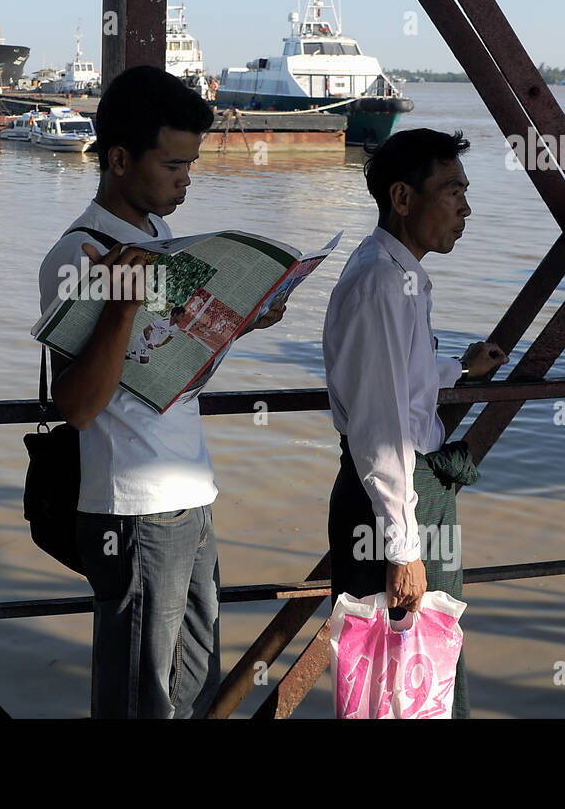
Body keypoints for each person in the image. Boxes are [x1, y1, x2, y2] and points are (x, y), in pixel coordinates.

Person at [37, 65, 286, 719]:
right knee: (138, 695)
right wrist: (120, 307)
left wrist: (234, 317)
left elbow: (177, 374)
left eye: (191, 164)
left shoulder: (159, 242)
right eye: (173, 165)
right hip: (134, 505)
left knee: (193, 682)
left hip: (190, 495)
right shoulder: (80, 256)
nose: (186, 179)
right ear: (119, 159)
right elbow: (80, 406)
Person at [322, 127, 507, 719]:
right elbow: (379, 427)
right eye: (452, 191)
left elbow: (399, 385)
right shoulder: (381, 283)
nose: (466, 208)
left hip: (403, 496)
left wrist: (457, 369)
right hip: (395, 504)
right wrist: (402, 549)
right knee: (400, 680)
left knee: (419, 674)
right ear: (402, 199)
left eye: (465, 191)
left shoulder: (393, 272)